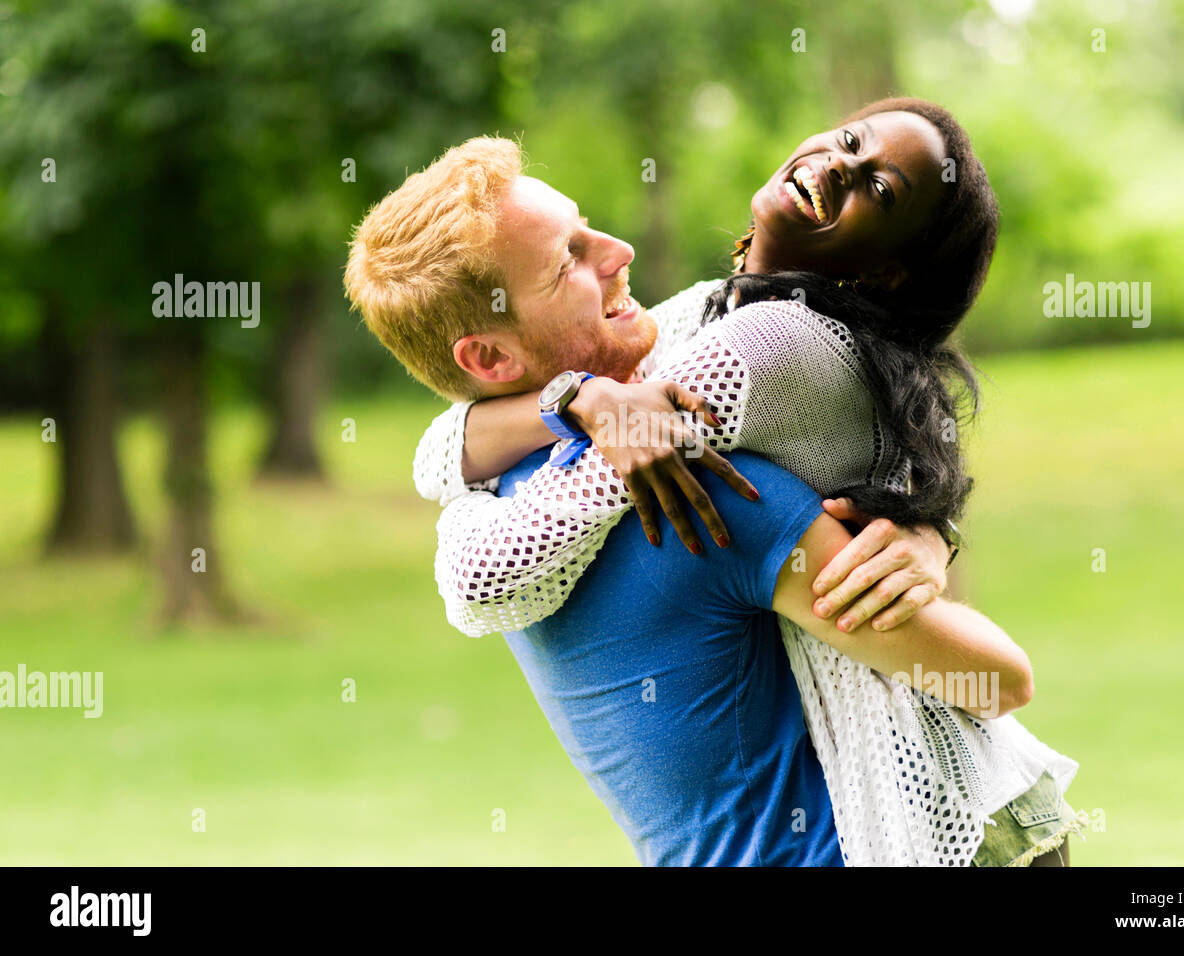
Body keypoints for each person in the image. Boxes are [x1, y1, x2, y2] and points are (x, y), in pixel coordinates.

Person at [345, 108, 1082, 865]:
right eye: (569, 257)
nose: (621, 250)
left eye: (881, 188)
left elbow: (472, 560)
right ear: (489, 360)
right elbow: (447, 456)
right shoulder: (703, 328)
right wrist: (571, 397)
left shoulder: (704, 447)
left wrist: (928, 531)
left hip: (931, 827)